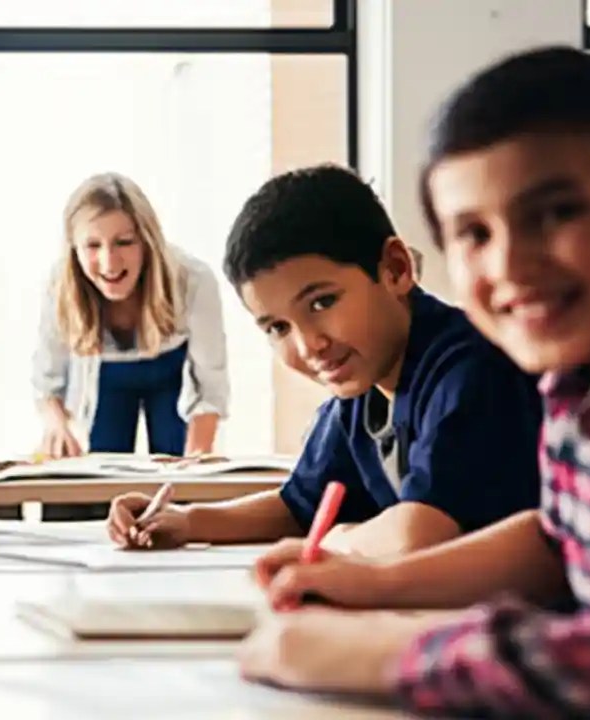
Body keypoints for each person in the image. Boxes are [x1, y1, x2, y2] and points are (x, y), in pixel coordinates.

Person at [238, 46, 590, 718]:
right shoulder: (570, 390)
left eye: (555, 213)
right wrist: (370, 586)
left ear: (399, 269)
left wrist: (382, 653)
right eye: (474, 233)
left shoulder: (472, 364)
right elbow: (557, 542)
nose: (512, 264)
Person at [107, 165, 542, 557]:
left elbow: (417, 535)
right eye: (278, 328)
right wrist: (186, 520)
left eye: (321, 303)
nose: (308, 344)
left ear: (394, 269)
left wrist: (334, 540)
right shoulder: (361, 390)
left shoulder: (470, 370)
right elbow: (298, 507)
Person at [33, 172, 228, 460]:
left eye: (124, 242)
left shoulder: (193, 280)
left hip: (169, 376)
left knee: (174, 463)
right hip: (106, 378)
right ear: (74, 249)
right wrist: (57, 428)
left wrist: (196, 461)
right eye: (93, 246)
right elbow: (48, 380)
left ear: (148, 242)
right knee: (97, 473)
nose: (109, 262)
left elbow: (211, 384)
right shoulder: (61, 283)